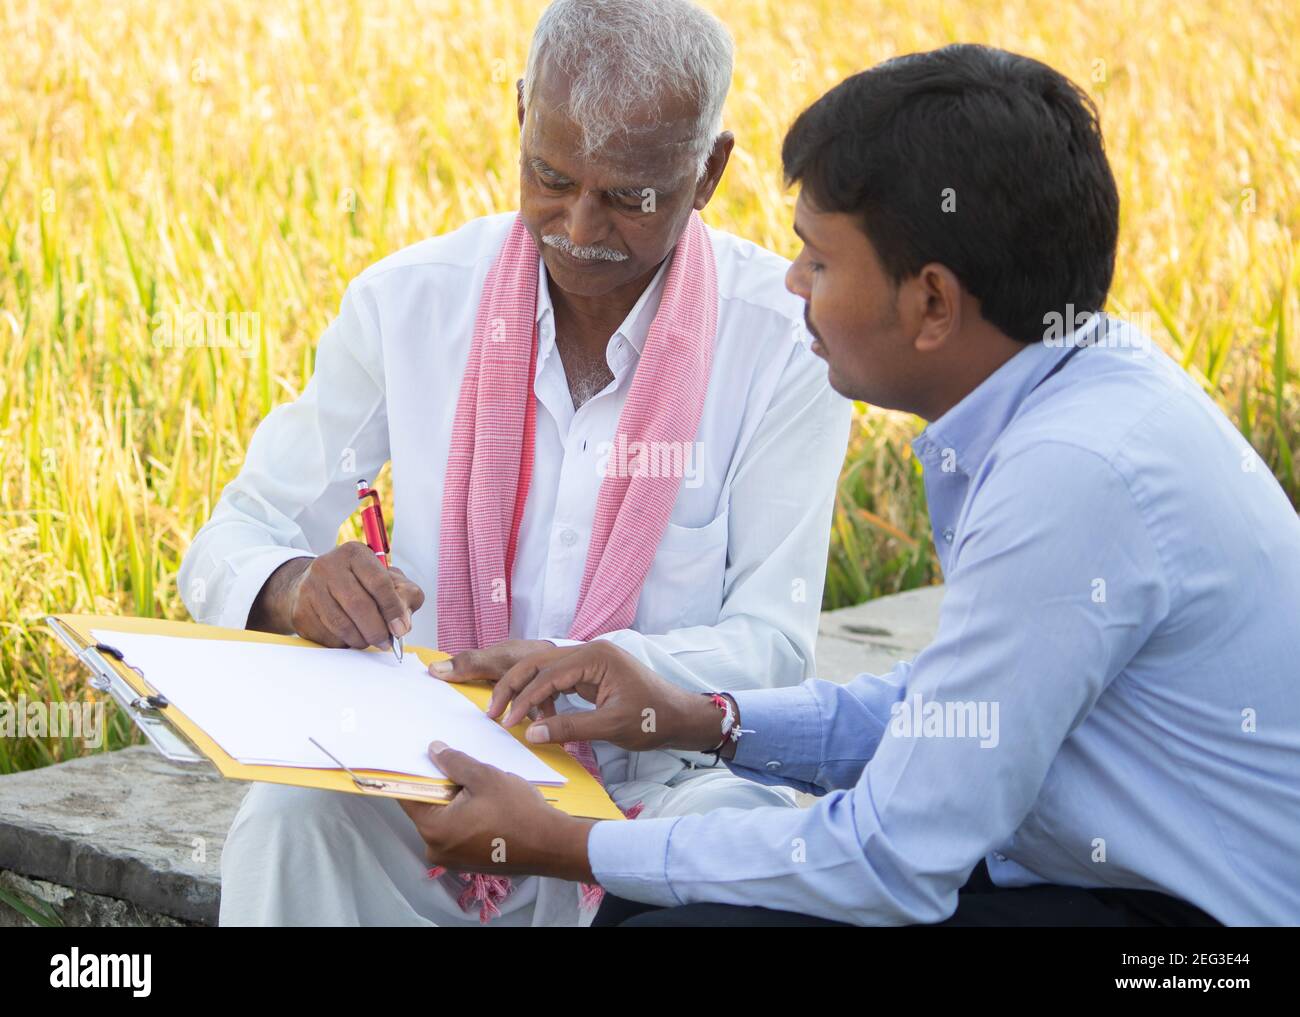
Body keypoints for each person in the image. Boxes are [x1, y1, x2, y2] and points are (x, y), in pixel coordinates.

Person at [398, 44, 1300, 927]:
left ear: (933, 303)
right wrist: (700, 719)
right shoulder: (1076, 394)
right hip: (1084, 877)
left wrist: (567, 844)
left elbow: (889, 861)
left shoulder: (1073, 478)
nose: (791, 285)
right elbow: (950, 711)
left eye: (820, 262)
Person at [179, 0, 851, 926]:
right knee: (294, 822)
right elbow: (236, 534)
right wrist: (293, 584)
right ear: (520, 111)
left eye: (630, 196)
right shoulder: (410, 304)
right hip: (437, 769)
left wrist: (606, 667)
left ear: (709, 174)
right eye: (551, 175)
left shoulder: (784, 348)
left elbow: (772, 648)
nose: (579, 224)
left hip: (661, 785)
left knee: (730, 874)